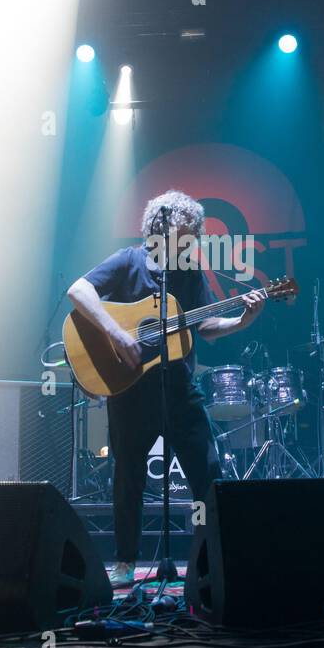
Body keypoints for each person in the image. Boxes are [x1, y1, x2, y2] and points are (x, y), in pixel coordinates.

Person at [66, 190, 263, 586]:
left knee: (207, 470)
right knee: (128, 478)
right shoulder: (128, 261)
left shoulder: (190, 273)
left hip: (178, 387)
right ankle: (124, 563)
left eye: (195, 234)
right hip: (131, 389)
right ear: (159, 228)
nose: (192, 240)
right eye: (185, 233)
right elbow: (78, 290)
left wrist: (241, 321)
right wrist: (118, 336)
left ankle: (212, 560)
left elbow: (202, 326)